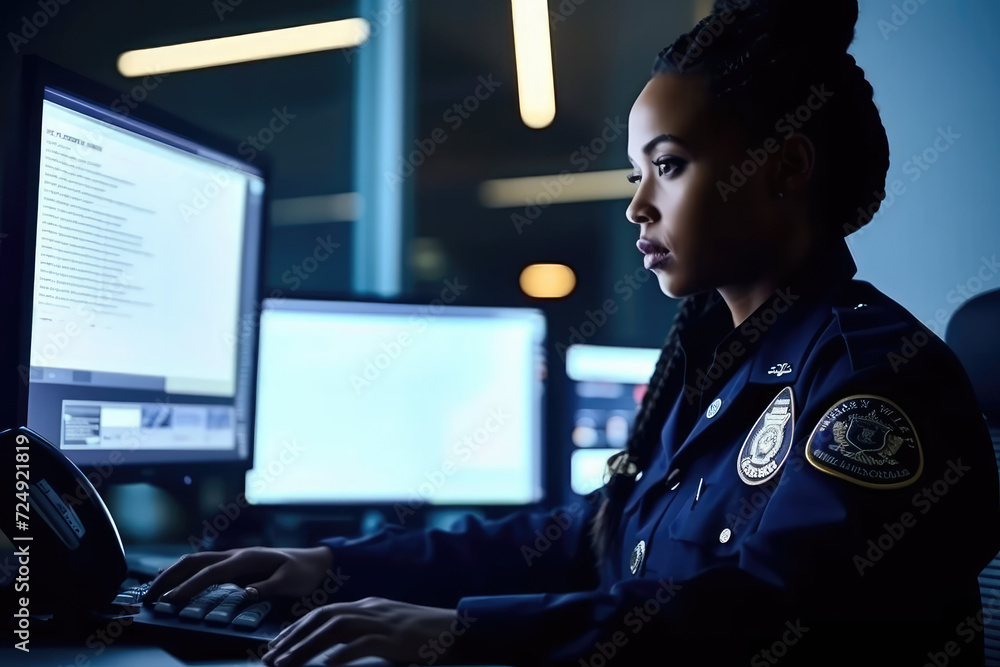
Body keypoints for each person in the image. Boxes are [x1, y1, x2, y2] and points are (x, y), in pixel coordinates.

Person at [147, 1, 1000, 664]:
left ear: (782, 170)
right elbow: (588, 537)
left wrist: (465, 634)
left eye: (667, 166)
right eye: (636, 174)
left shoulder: (873, 381)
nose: (637, 206)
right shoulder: (714, 367)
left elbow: (766, 621)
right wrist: (337, 566)